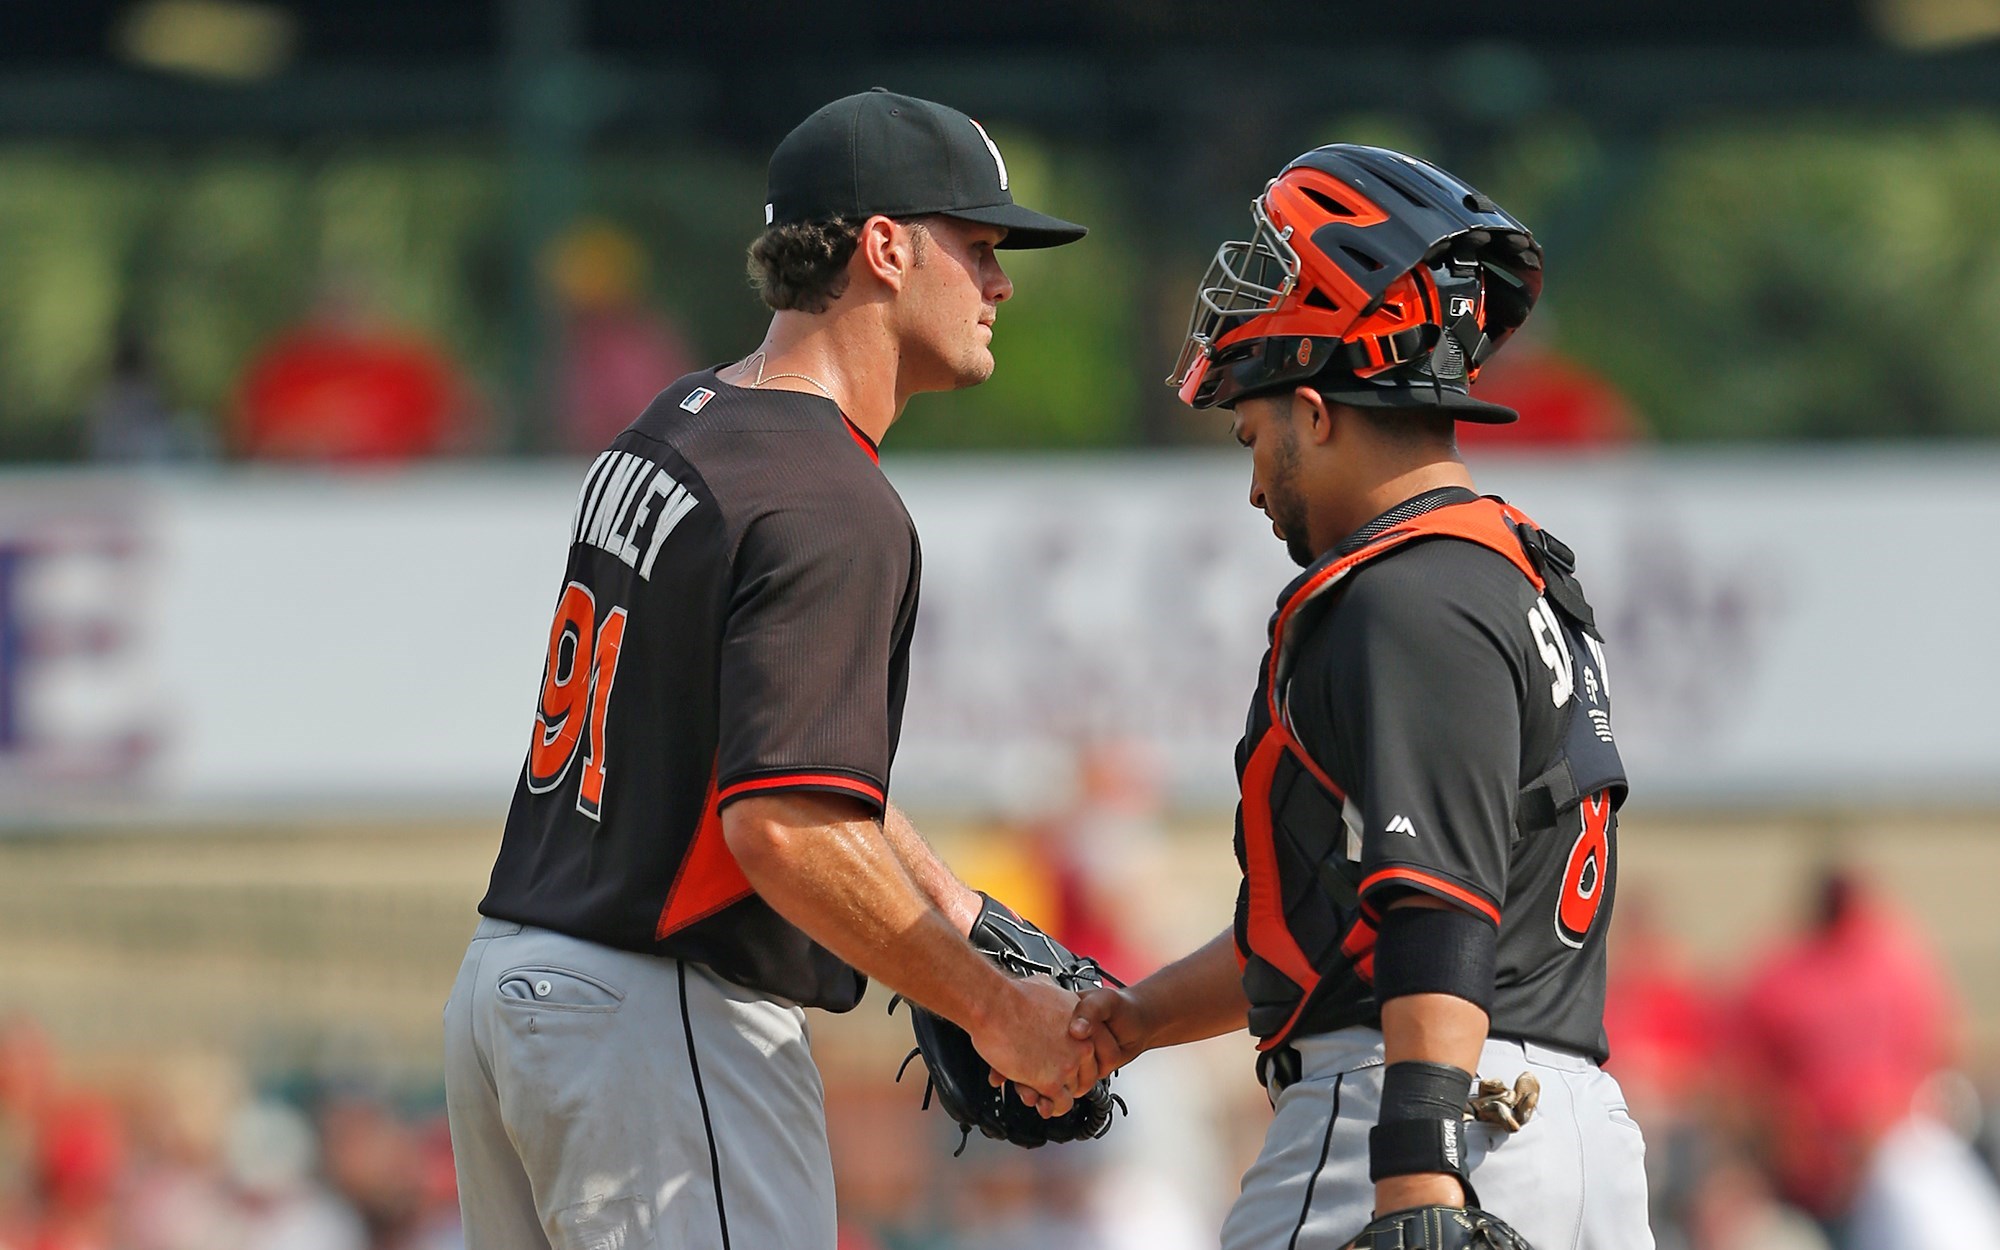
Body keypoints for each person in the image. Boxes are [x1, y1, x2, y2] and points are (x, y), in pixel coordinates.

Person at [442, 89, 1092, 1250]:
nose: (999, 284)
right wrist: (991, 1004)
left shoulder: (679, 419)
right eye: (980, 247)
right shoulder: (831, 498)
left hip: (512, 989)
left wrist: (948, 905)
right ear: (884, 247)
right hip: (657, 1015)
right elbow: (781, 825)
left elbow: (756, 748)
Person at [1069, 145, 1652, 1247]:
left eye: (1254, 433)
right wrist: (1138, 1017)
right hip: (1570, 1134)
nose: (1251, 482)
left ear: (1317, 410)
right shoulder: (1509, 574)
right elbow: (1343, 925)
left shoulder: (1403, 595)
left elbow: (1434, 904)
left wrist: (1415, 1168)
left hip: (1414, 1111)